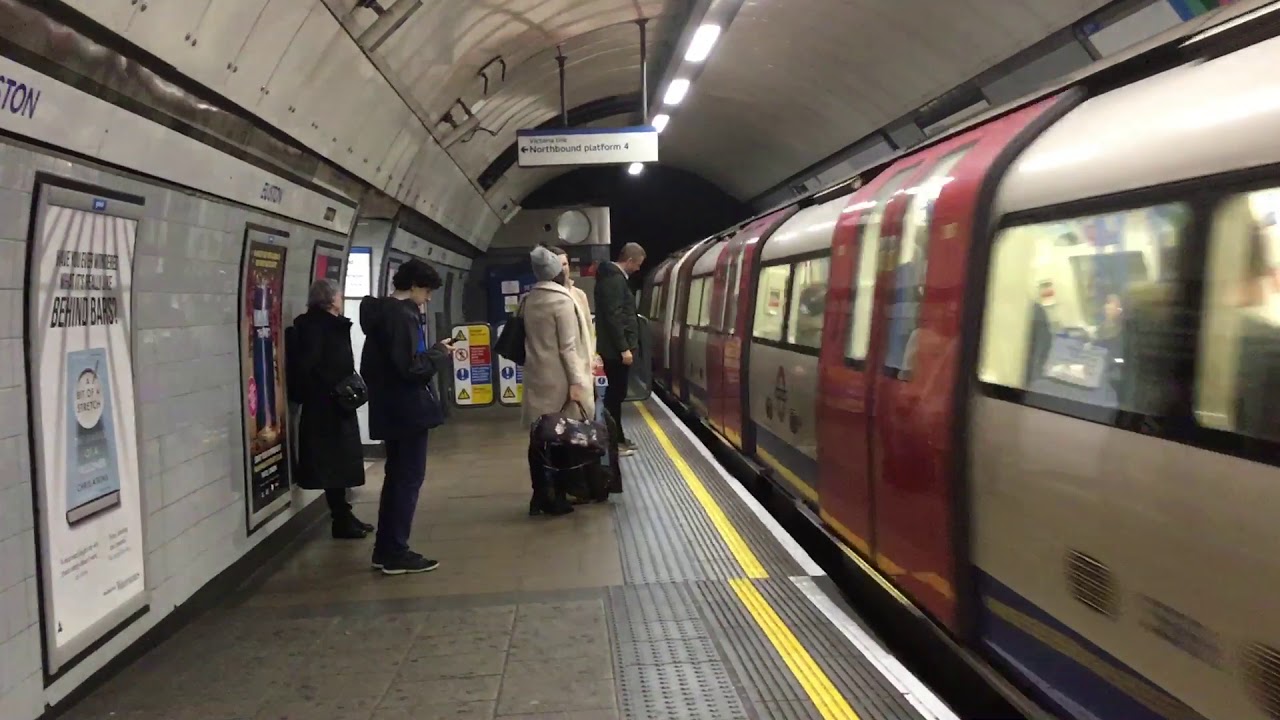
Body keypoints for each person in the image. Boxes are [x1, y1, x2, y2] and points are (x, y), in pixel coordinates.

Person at [359, 259, 453, 575]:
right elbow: (411, 367)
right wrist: (439, 352)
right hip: (408, 411)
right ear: (413, 286)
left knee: (397, 478)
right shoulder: (401, 317)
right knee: (407, 480)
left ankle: (386, 548)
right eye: (426, 291)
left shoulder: (381, 315)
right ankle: (394, 551)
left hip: (390, 410)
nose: (427, 299)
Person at [292, 280, 371, 539]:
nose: (341, 299)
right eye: (339, 295)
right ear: (330, 299)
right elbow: (312, 366)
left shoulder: (325, 325)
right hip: (327, 407)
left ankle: (344, 515)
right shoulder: (319, 328)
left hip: (334, 404)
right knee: (335, 464)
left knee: (341, 463)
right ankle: (341, 518)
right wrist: (332, 388)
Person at [522, 245, 593, 516]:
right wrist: (577, 383)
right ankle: (558, 497)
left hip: (537, 378)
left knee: (538, 441)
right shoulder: (562, 301)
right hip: (561, 382)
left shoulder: (530, 299)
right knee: (561, 439)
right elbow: (568, 348)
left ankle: (539, 495)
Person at [594, 242, 646, 456]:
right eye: (638, 264)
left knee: (616, 395)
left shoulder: (612, 279)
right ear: (630, 260)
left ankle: (619, 438)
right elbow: (614, 316)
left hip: (614, 349)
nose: (638, 269)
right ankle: (613, 443)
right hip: (615, 351)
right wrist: (624, 348)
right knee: (615, 396)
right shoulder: (615, 280)